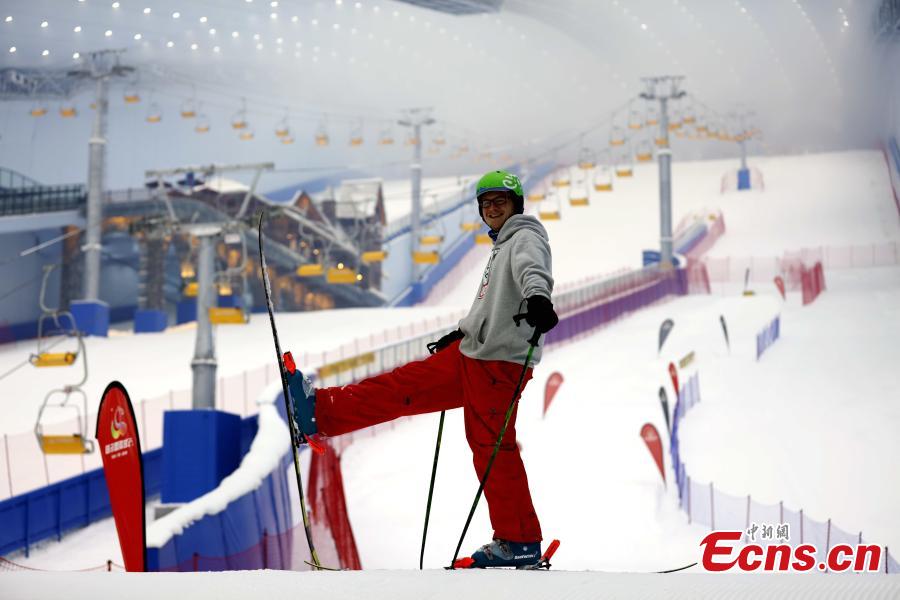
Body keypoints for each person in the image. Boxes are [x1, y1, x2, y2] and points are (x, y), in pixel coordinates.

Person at [287, 169, 559, 568]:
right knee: (400, 388)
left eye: (500, 200)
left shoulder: (525, 237)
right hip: (472, 354)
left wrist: (538, 298)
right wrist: (463, 332)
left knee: (491, 449)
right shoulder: (501, 245)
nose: (493, 207)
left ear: (516, 205)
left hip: (498, 366)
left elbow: (533, 272)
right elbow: (494, 307)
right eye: (486, 203)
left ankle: (519, 541)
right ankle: (318, 413)